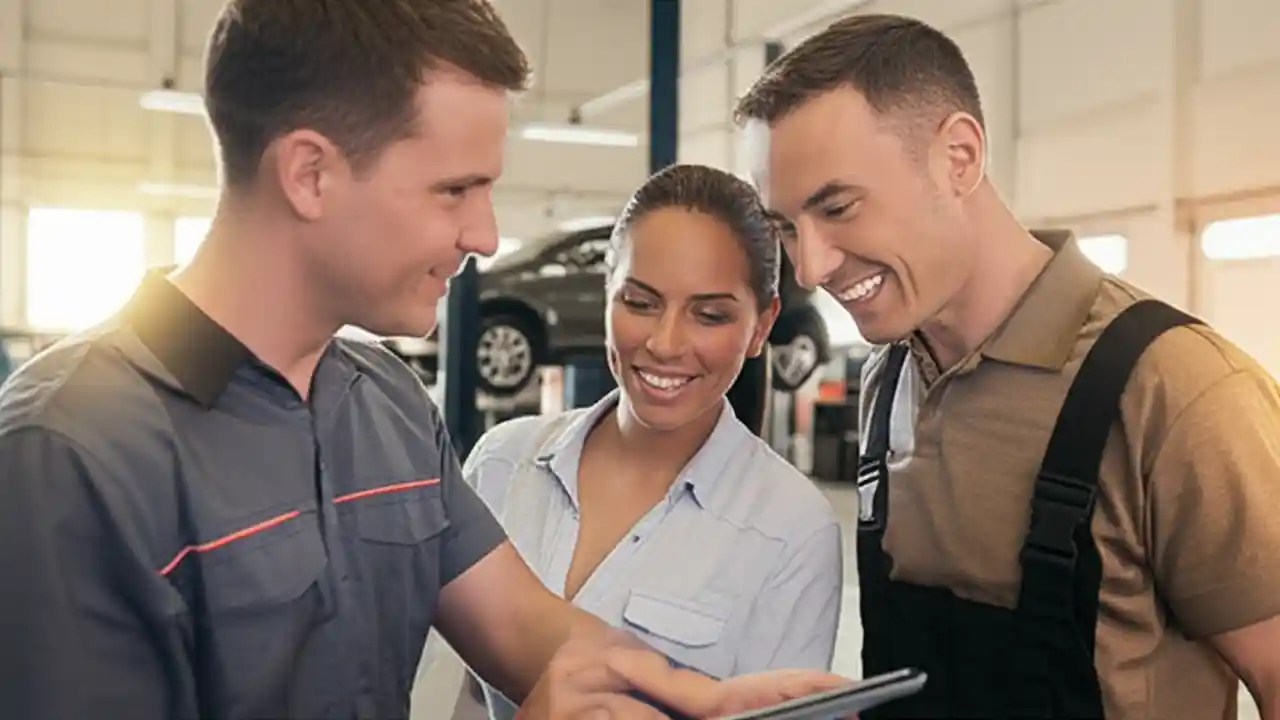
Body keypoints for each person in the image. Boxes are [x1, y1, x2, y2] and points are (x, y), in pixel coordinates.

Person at [0, 2, 849, 718]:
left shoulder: (388, 408)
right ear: (310, 175)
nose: (484, 235)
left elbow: (529, 629)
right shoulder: (70, 458)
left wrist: (693, 699)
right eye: (456, 190)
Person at [735, 12, 1280, 720]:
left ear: (959, 157)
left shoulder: (1178, 391)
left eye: (838, 207)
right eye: (785, 227)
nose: (809, 266)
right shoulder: (889, 380)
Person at [464, 164, 844, 718]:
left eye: (709, 315)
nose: (666, 344)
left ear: (762, 327)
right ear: (606, 296)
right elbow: (452, 692)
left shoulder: (791, 528)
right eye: (639, 303)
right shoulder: (501, 463)